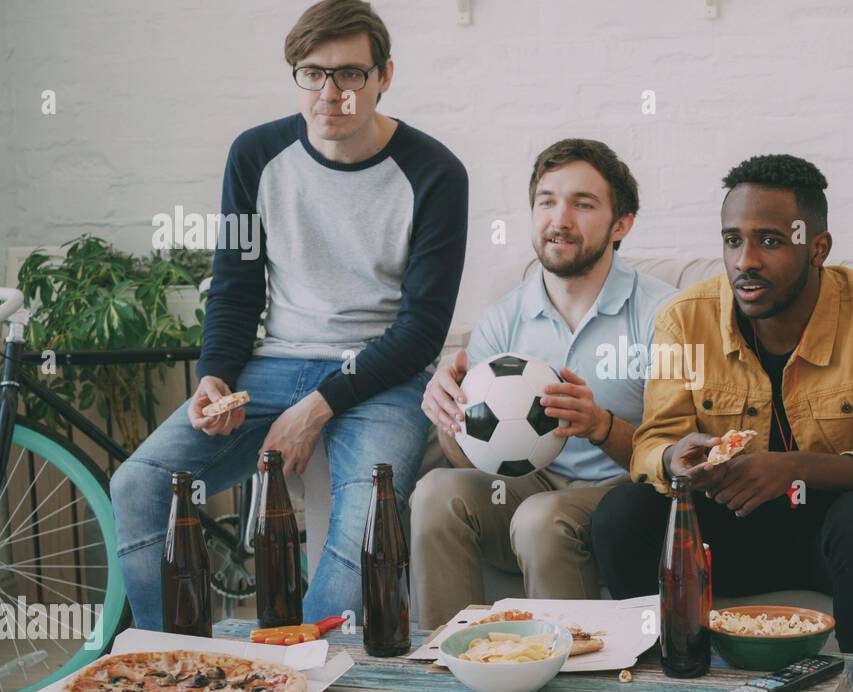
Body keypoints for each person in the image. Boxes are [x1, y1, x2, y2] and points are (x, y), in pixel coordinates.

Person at [111, 0, 468, 627]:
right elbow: (235, 287)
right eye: (312, 73)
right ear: (296, 75)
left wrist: (318, 407)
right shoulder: (256, 155)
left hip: (385, 376)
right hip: (272, 365)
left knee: (367, 527)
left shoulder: (436, 172)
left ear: (385, 76)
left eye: (350, 74)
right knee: (138, 486)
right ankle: (171, 662)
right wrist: (214, 376)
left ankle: (311, 676)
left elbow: (421, 331)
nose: (330, 94)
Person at [591, 154, 853, 692]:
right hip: (728, 530)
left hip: (834, 538)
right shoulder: (686, 317)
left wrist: (793, 469)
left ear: (818, 248)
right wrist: (677, 458)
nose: (745, 262)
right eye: (733, 240)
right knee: (622, 514)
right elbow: (655, 441)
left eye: (771, 241)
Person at [412, 139, 676, 629]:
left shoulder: (664, 313)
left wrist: (599, 425)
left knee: (541, 517)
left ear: (622, 224)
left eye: (583, 204)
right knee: (435, 492)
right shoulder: (502, 319)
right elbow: (471, 458)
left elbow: (677, 456)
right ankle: (453, 665)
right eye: (547, 201)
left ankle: (570, 685)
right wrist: (451, 418)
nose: (560, 220)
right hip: (527, 487)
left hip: (624, 494)